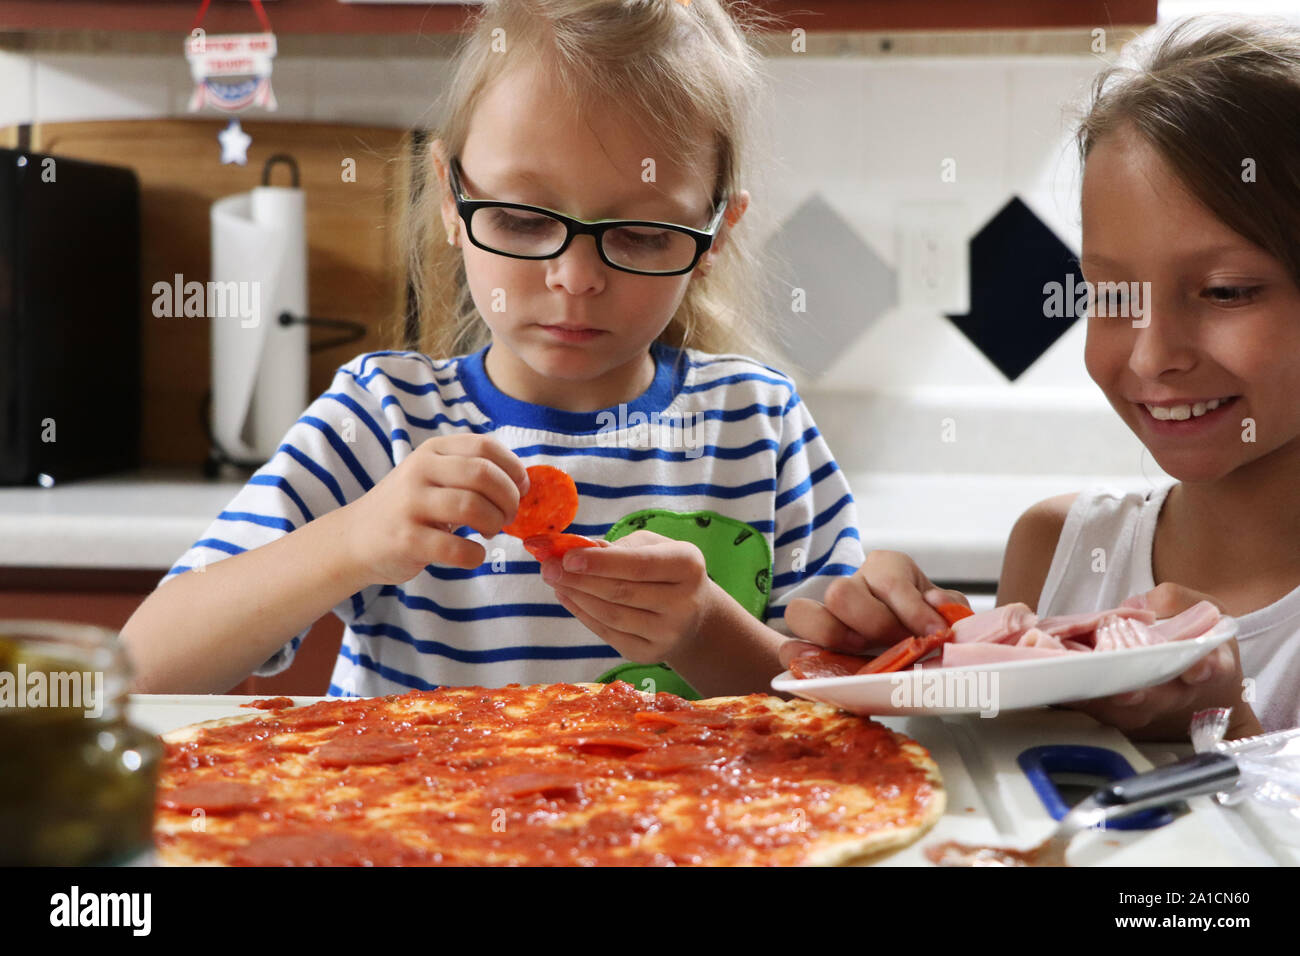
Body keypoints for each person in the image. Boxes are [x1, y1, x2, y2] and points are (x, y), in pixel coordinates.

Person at [122, 0, 863, 700]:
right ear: (450, 197)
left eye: (642, 236)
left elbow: (847, 708)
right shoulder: (383, 418)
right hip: (417, 831)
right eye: (517, 219)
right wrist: (351, 540)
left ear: (715, 237)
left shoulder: (758, 424)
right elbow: (141, 671)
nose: (575, 280)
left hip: (697, 833)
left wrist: (706, 631)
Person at [780, 17, 1300, 739]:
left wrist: (1219, 723)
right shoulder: (1056, 546)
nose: (1152, 357)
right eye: (1113, 297)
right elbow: (1003, 811)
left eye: (1225, 291)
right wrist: (906, 675)